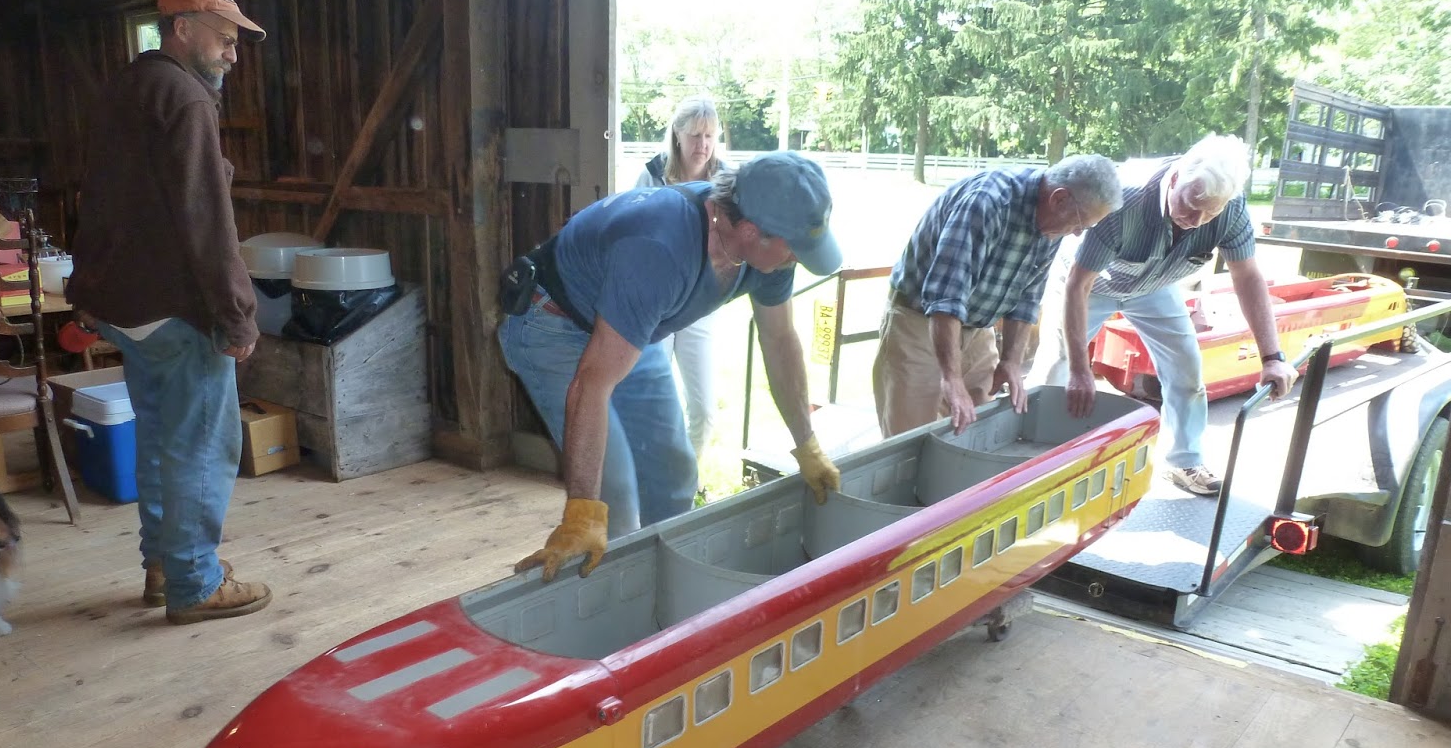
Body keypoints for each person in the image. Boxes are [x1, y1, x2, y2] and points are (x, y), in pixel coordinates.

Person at [500, 151, 844, 581]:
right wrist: (581, 512)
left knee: (674, 473)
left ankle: (666, 596)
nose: (798, 259)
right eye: (795, 250)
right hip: (552, 324)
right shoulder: (660, 247)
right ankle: (612, 621)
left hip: (629, 329)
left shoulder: (768, 250)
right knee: (613, 500)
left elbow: (779, 340)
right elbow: (591, 385)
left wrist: (806, 446)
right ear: (751, 231)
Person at [67, 0, 272, 624]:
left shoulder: (127, 87)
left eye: (237, 42)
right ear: (182, 28)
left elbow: (96, 199)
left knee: (159, 438)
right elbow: (206, 219)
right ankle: (194, 583)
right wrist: (237, 314)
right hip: (176, 308)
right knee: (201, 448)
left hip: (127, 306)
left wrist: (86, 288)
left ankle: (164, 564)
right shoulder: (185, 99)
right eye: (225, 37)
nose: (233, 53)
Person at [1055, 134, 1299, 495]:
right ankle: (1043, 464)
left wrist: (1272, 357)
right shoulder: (1124, 196)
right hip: (1092, 284)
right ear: (1174, 178)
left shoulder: (1229, 206)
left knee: (1186, 369)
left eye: (1210, 212)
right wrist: (1079, 369)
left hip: (1154, 285)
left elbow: (1246, 274)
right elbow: (1078, 285)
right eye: (1189, 205)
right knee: (1055, 370)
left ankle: (1185, 460)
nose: (1196, 221)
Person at [871, 154, 1121, 437]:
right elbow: (946, 298)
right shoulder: (987, 203)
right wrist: (951, 378)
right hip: (919, 324)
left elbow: (1027, 299)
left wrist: (1011, 361)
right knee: (910, 436)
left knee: (979, 430)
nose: (1077, 234)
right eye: (1080, 224)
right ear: (1059, 198)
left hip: (977, 327)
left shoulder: (1054, 223)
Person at [635, 95, 725, 461]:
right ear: (677, 135)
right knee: (653, 402)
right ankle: (652, 480)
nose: (702, 145)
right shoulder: (653, 174)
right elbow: (631, 229)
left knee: (704, 410)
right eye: (694, 136)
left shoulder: (725, 179)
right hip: (657, 304)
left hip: (700, 302)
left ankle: (687, 480)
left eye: (709, 136)